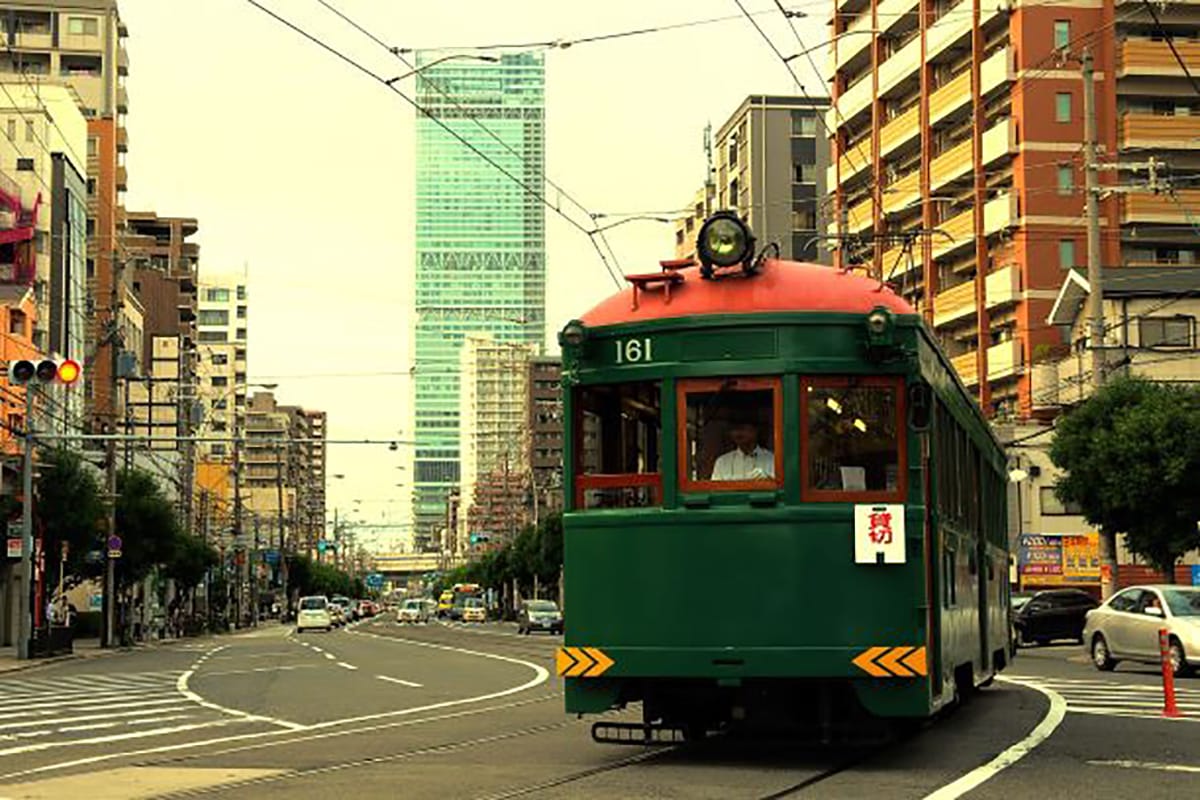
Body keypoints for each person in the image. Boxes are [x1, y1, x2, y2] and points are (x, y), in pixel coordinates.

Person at [711, 417, 774, 481]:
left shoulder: (771, 459)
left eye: (743, 428)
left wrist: (768, 480)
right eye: (734, 429)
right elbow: (715, 489)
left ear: (755, 430)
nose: (738, 433)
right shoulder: (722, 462)